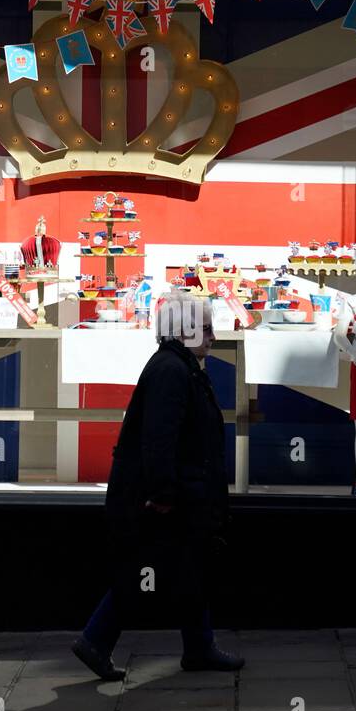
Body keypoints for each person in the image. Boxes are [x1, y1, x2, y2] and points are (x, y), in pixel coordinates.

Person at [72, 291, 244, 680]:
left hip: (177, 491)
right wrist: (164, 493)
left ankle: (196, 647)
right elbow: (159, 438)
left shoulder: (177, 365)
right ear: (183, 330)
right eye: (204, 328)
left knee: (186, 565)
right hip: (166, 496)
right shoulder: (172, 370)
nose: (213, 337)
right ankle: (96, 640)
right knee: (153, 567)